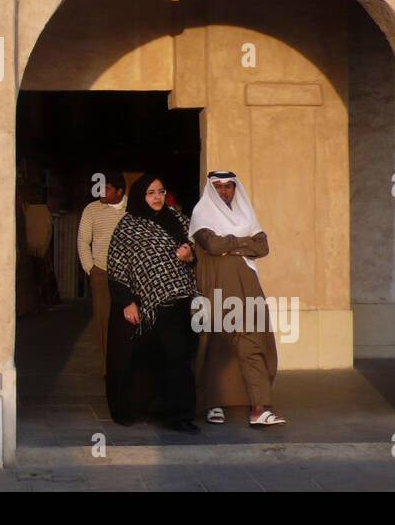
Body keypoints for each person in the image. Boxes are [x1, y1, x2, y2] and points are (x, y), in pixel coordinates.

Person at [105, 173, 199, 433]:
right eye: (151, 193)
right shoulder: (128, 227)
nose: (157, 197)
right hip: (147, 306)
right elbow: (117, 267)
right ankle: (142, 410)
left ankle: (180, 417)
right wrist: (127, 302)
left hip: (181, 301)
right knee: (147, 361)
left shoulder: (178, 219)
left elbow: (196, 254)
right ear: (140, 196)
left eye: (160, 192)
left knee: (178, 360)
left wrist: (190, 257)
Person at [189, 170, 285, 426]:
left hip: (248, 286)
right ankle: (213, 404)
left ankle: (259, 408)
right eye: (219, 187)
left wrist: (229, 243)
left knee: (252, 344)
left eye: (229, 187)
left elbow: (262, 247)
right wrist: (243, 242)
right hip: (215, 287)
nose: (224, 192)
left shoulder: (246, 213)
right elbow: (213, 246)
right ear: (212, 189)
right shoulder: (202, 214)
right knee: (218, 345)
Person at [77, 170, 126, 374]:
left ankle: (127, 367)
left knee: (129, 321)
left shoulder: (132, 209)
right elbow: (83, 240)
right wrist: (91, 269)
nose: (100, 191)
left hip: (127, 275)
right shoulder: (91, 209)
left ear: (119, 191)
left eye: (105, 188)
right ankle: (109, 370)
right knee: (104, 322)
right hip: (101, 273)